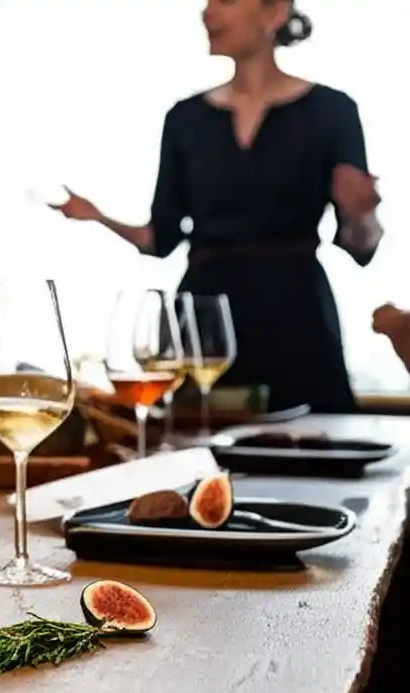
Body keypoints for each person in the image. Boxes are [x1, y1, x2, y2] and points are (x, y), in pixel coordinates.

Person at [52, 0, 381, 414]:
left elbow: (361, 246)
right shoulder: (184, 119)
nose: (206, 13)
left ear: (274, 12)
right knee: (193, 455)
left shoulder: (334, 112)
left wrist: (361, 214)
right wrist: (96, 216)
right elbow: (160, 239)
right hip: (200, 322)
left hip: (296, 318)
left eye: (223, 0)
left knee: (314, 449)